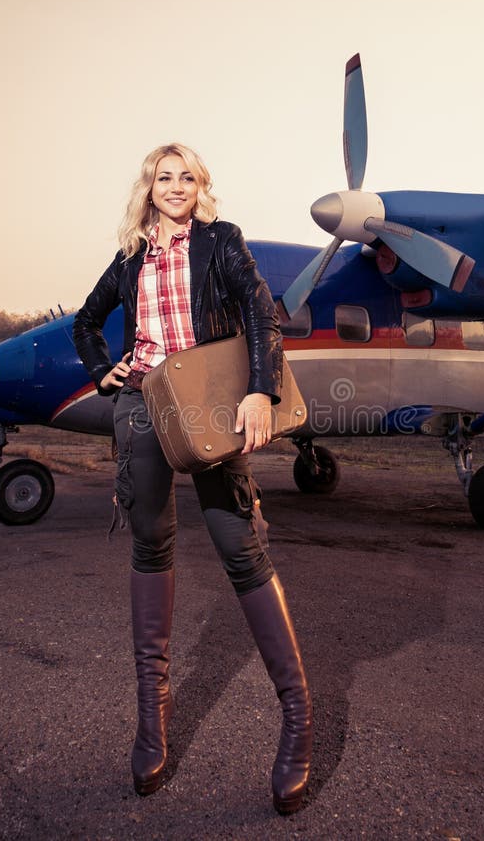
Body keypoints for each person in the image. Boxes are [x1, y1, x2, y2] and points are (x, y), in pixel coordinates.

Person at [73, 143, 312, 815]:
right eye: (163, 176)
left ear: (199, 187)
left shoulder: (221, 243)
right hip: (143, 407)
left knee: (243, 548)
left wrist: (260, 391)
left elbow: (261, 313)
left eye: (186, 177)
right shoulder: (129, 258)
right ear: (148, 188)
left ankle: (297, 716)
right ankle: (153, 722)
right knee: (150, 544)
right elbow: (87, 321)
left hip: (211, 402)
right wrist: (103, 368)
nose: (174, 186)